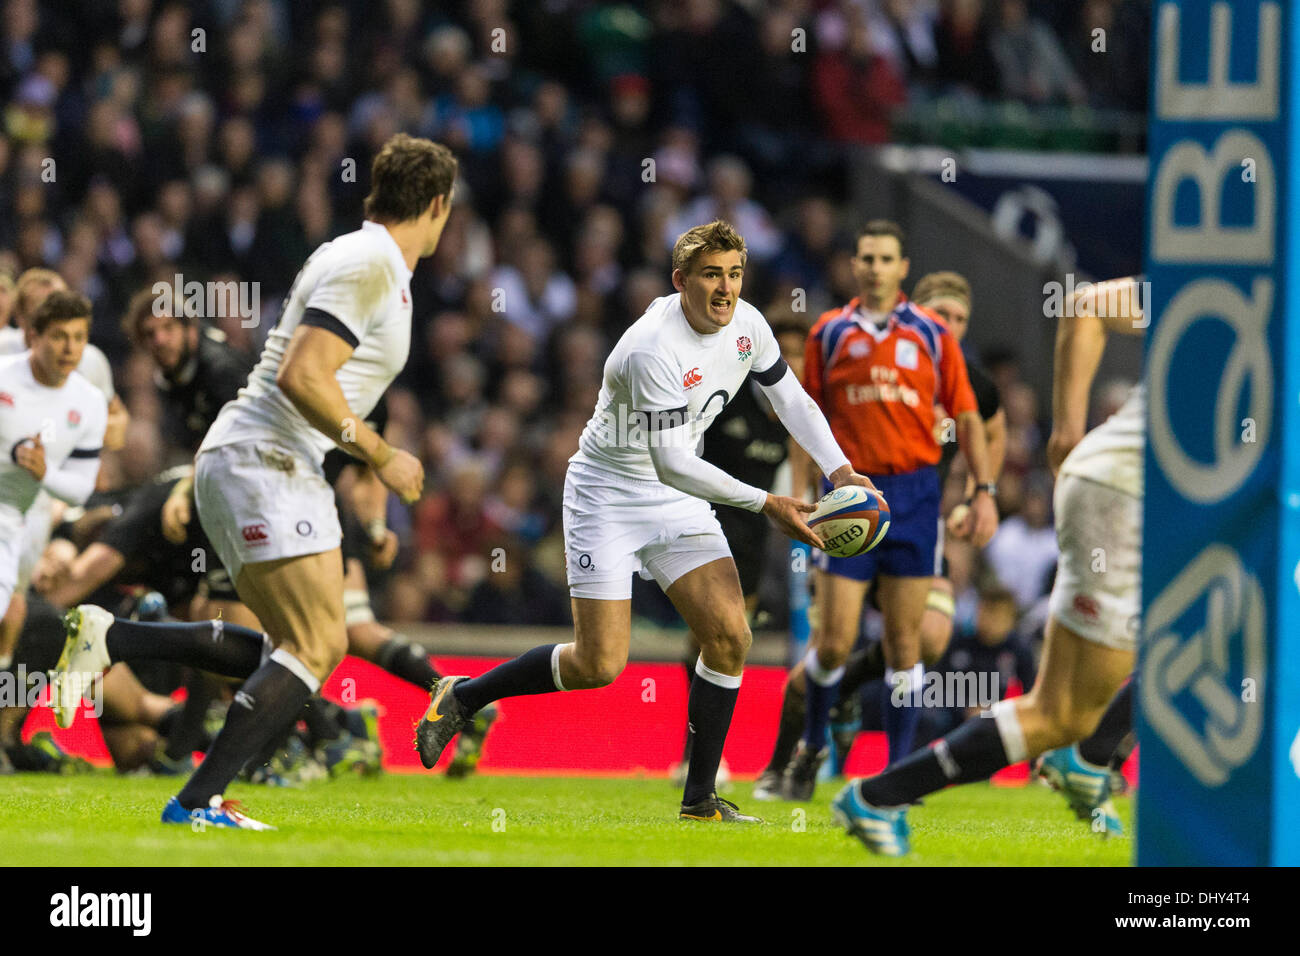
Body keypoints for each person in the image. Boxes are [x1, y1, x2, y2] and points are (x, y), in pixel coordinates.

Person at [51, 133, 454, 829]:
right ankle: (195, 801)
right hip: (269, 458)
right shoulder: (371, 264)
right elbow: (302, 375)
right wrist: (382, 454)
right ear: (439, 205)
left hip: (255, 459)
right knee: (319, 643)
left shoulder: (358, 257)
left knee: (295, 645)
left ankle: (115, 641)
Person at [414, 220, 876, 822]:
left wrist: (841, 470)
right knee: (598, 664)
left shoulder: (749, 325)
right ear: (680, 280)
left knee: (730, 635)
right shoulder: (651, 348)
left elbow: (791, 400)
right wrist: (768, 503)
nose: (726, 288)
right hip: (607, 494)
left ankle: (700, 799)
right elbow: (673, 462)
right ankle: (464, 695)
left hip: (674, 500)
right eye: (711, 275)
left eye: (735, 274)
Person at [832, 277, 1143, 855]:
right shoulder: (1267, 299)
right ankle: (881, 795)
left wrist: (1067, 433)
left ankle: (1087, 754)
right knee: (1064, 714)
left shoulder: (1216, 279)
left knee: (1069, 707)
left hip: (1106, 482)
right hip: (1129, 500)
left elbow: (1086, 305)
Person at [754, 269, 1007, 797]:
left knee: (924, 640)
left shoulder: (970, 383)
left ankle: (868, 720)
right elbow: (809, 419)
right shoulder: (874, 363)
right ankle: (788, 759)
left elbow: (991, 429)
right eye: (941, 314)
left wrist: (978, 495)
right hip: (852, 522)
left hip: (916, 523)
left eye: (960, 318)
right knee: (829, 648)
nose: (950, 325)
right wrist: (804, 497)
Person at [0, 291, 108, 634]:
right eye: (59, 336)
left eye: (79, 337)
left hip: (17, 519)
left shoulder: (90, 402)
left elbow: (80, 490)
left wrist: (44, 473)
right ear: (34, 337)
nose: (70, 349)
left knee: (11, 614)